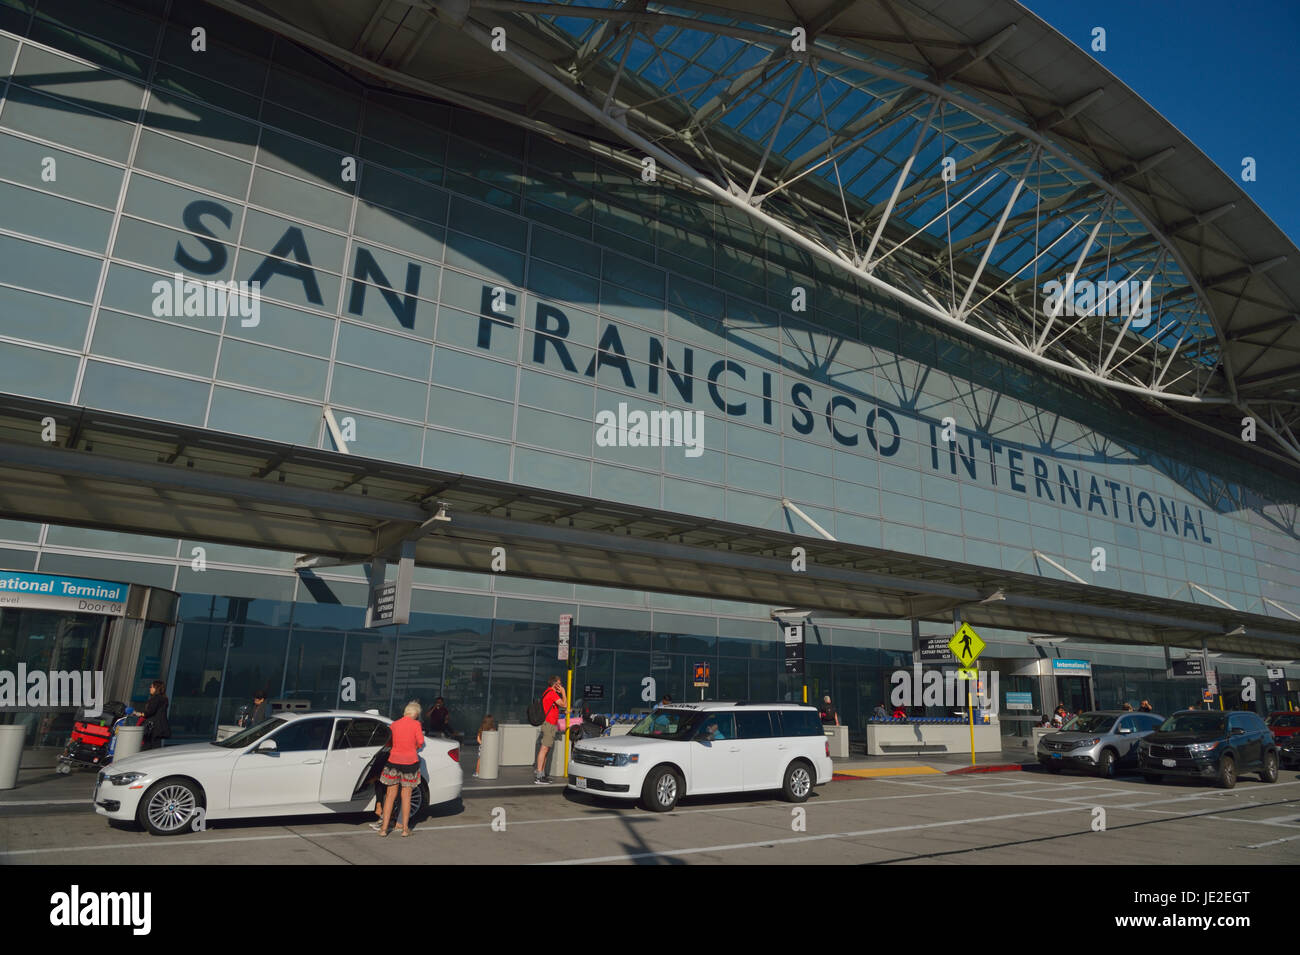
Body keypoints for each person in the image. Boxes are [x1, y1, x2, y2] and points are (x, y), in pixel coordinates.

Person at [377, 701, 424, 838]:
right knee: (406, 797)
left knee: (390, 796)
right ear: (415, 713)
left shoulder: (394, 724)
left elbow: (389, 743)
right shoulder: (416, 725)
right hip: (410, 764)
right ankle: (404, 829)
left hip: (393, 762)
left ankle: (384, 829)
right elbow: (420, 742)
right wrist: (412, 748)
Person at [535, 675, 566, 784]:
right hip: (549, 724)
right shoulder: (551, 693)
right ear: (555, 684)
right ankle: (539, 776)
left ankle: (542, 774)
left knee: (546, 750)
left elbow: (553, 707)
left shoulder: (548, 692)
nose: (561, 685)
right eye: (560, 683)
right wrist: (563, 692)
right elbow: (564, 704)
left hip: (550, 724)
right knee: (544, 749)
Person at [141, 680, 171, 750]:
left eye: (151, 687)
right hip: (158, 727)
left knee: (149, 747)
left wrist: (138, 713)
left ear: (156, 688)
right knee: (155, 747)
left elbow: (149, 712)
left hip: (153, 728)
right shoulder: (164, 699)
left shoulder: (156, 699)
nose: (150, 688)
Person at [474, 714, 496, 778]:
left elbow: (478, 739)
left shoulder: (481, 728)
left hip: (482, 746)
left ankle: (477, 772)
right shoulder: (493, 729)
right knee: (489, 759)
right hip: (490, 747)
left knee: (480, 759)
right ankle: (489, 772)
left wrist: (482, 744)